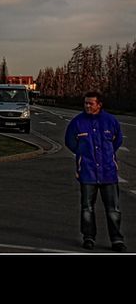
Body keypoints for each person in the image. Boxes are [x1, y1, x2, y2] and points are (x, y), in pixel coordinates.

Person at [65, 90, 126, 252]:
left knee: (113, 209)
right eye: (85, 103)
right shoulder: (77, 122)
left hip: (108, 173)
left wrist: (108, 155)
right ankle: (88, 237)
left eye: (90, 103)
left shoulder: (110, 121)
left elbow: (117, 140)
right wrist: (82, 154)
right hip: (87, 172)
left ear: (99, 104)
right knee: (87, 208)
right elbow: (70, 141)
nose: (87, 106)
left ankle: (117, 240)